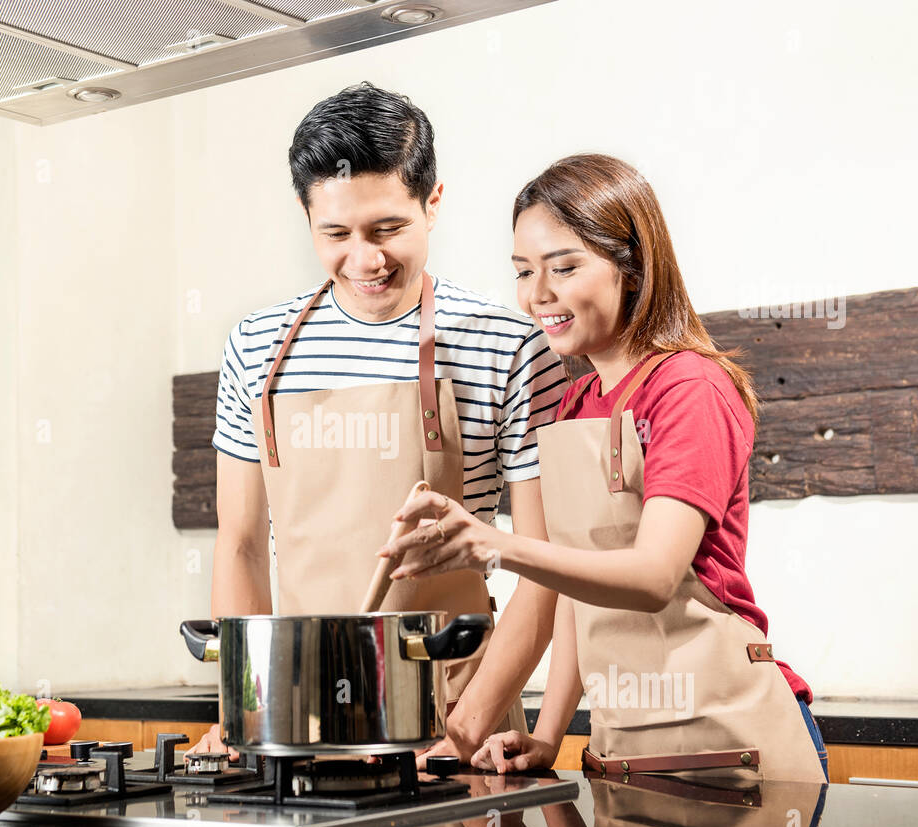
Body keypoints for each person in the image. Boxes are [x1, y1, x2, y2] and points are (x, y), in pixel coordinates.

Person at [378, 153, 830, 784]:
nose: (539, 295)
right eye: (523, 271)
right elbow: (575, 597)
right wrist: (547, 735)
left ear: (633, 265)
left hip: (734, 749)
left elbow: (651, 577)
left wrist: (494, 545)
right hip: (627, 751)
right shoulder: (576, 404)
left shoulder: (691, 388)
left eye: (564, 267)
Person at [187, 82, 566, 757]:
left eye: (387, 228)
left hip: (458, 720)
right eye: (336, 233)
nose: (365, 259)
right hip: (300, 717)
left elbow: (547, 567)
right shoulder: (255, 347)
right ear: (306, 216)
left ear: (434, 203)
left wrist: (465, 726)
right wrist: (245, 706)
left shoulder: (508, 344)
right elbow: (241, 544)